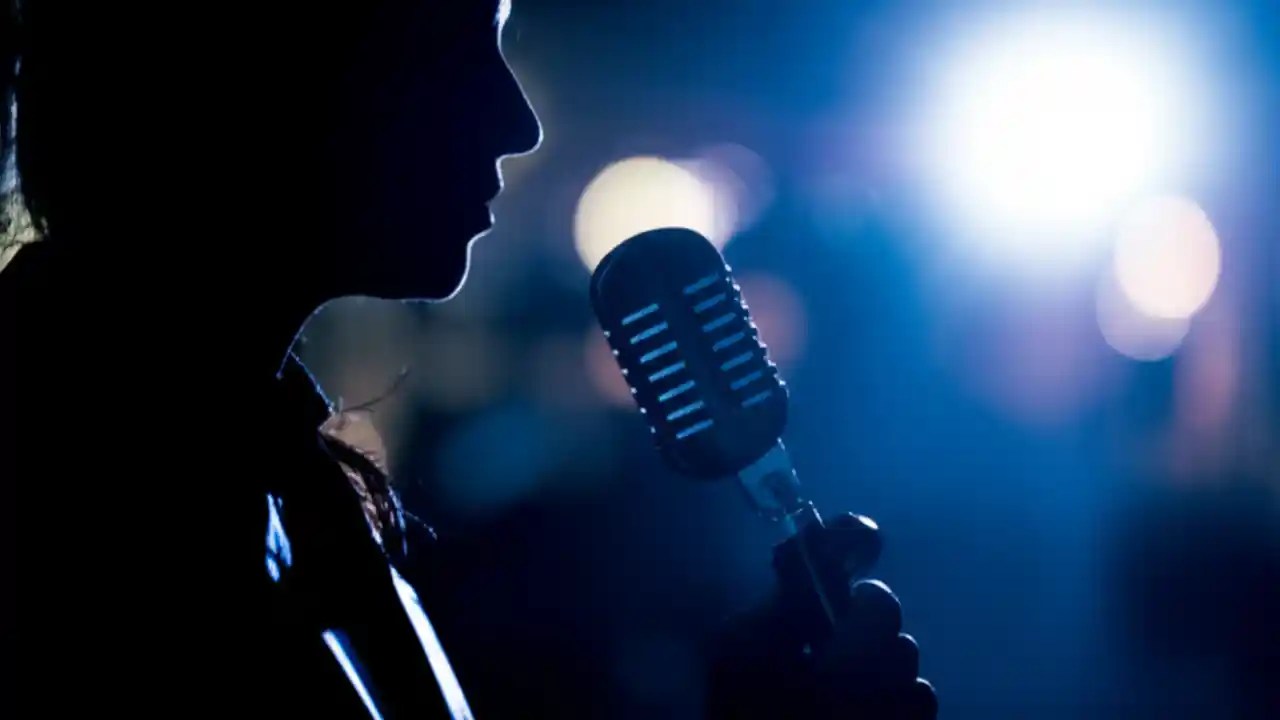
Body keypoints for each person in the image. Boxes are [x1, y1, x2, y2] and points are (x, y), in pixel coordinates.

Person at [0, 1, 935, 717]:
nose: (513, 122)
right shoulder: (76, 496)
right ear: (285, 60)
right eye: (457, 44)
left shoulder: (269, 468)